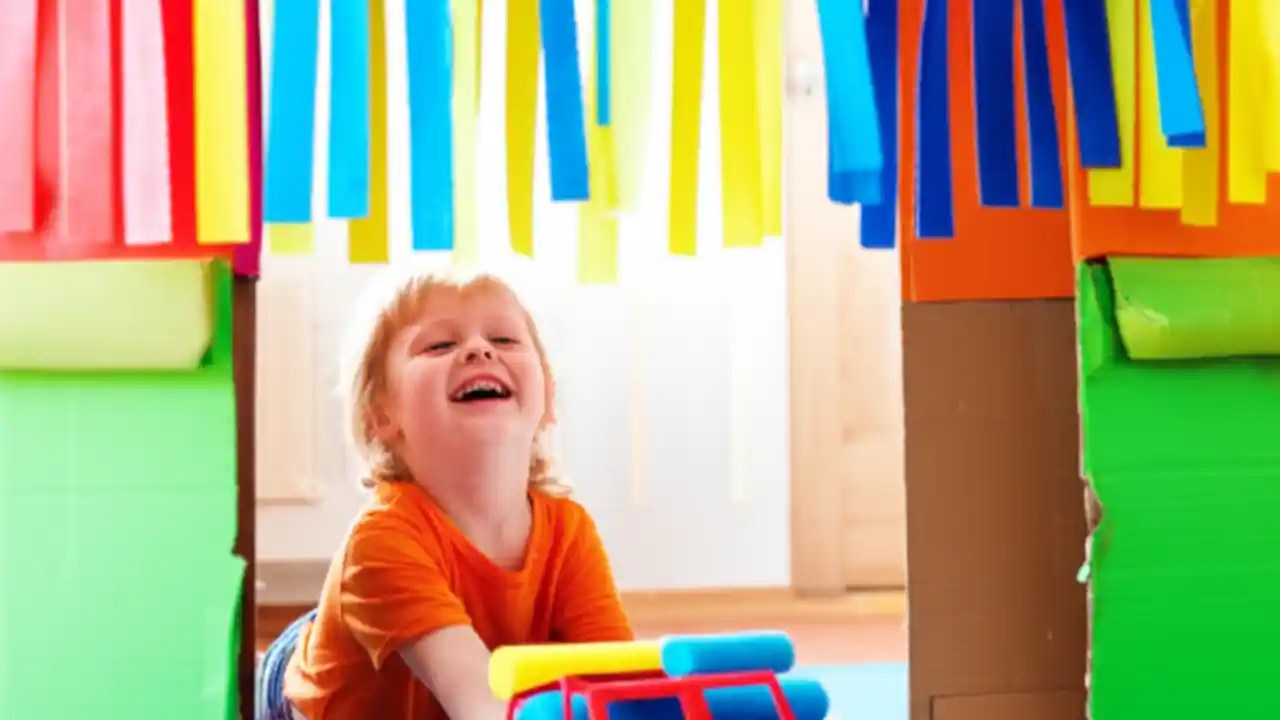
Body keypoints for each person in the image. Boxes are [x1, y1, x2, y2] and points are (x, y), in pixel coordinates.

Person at [263, 269, 633, 719]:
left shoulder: (568, 530)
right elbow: (480, 705)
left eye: (505, 340)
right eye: (439, 345)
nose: (480, 350)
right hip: (316, 700)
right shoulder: (382, 541)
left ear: (548, 396)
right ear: (381, 413)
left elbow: (619, 684)